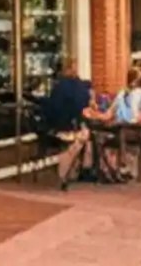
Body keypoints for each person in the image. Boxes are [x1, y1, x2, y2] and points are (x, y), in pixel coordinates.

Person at [42, 58, 95, 186]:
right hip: (69, 129)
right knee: (87, 136)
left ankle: (79, 168)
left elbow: (50, 109)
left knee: (86, 137)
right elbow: (84, 105)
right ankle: (78, 170)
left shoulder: (58, 87)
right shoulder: (78, 87)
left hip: (55, 128)